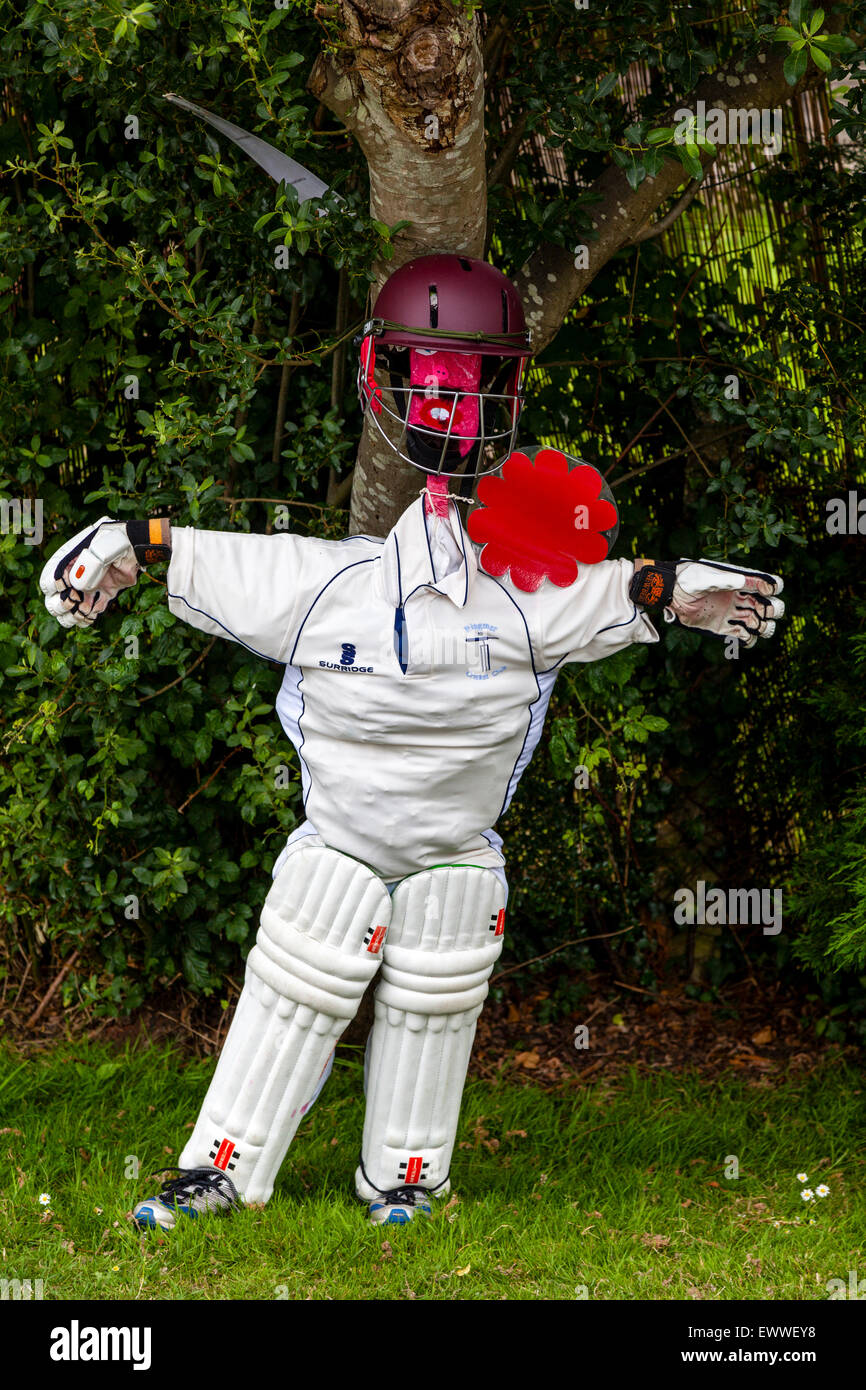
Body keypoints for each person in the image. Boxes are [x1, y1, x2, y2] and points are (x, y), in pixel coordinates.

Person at [39, 255, 785, 1228]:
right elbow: (207, 555)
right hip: (340, 837)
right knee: (308, 931)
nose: (447, 400)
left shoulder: (525, 600)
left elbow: (618, 590)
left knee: (444, 945)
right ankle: (221, 1167)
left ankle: (407, 1178)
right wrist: (126, 542)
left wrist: (672, 587)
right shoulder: (325, 586)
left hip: (453, 848)